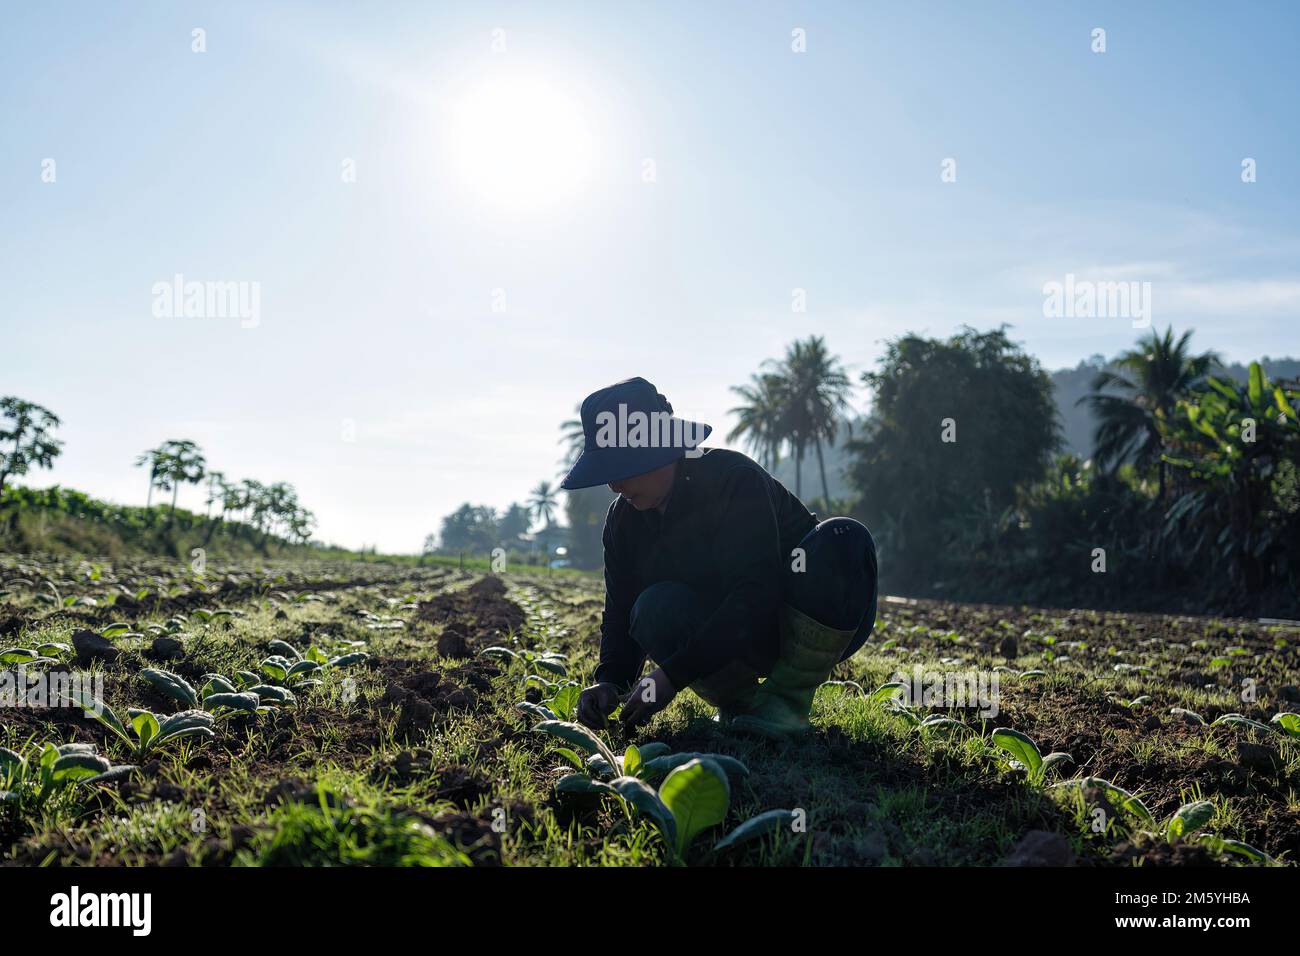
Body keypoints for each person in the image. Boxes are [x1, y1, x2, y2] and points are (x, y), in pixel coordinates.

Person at [560, 376, 878, 740]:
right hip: (726, 638)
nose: (614, 487)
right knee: (652, 607)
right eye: (608, 475)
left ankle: (786, 701)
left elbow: (757, 591)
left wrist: (673, 674)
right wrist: (610, 681)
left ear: (659, 449)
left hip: (803, 617)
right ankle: (740, 704)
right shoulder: (622, 523)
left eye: (621, 470)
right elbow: (620, 610)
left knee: (845, 536)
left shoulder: (733, 481)